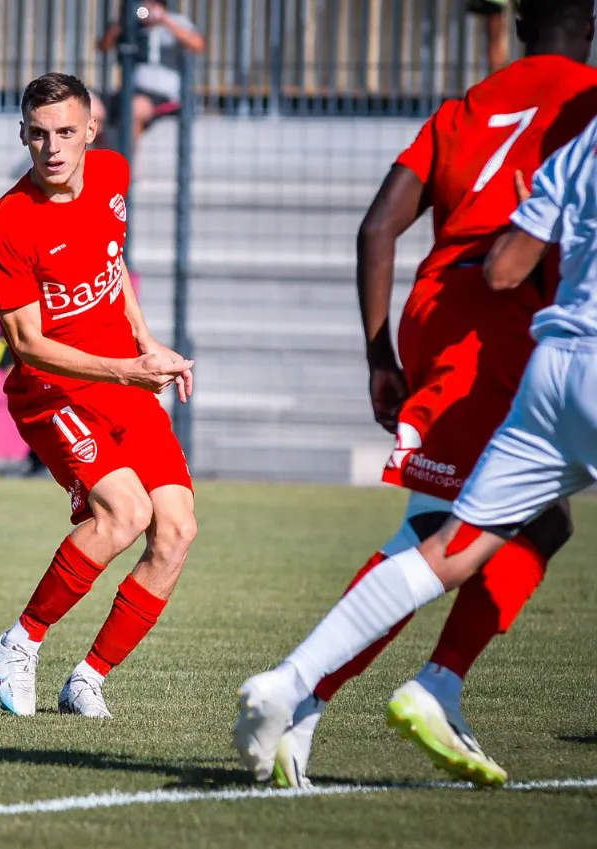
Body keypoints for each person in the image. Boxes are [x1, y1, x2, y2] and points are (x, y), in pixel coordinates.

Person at [253, 0, 597, 790]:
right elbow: (517, 257)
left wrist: (380, 354)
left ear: (517, 26)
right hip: (510, 327)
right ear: (587, 24)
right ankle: (306, 696)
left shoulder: (465, 107)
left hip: (433, 316)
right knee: (436, 532)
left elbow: (379, 227)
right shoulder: (585, 104)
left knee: (539, 521)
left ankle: (414, 684)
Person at [0, 72, 197, 718]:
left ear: (90, 132)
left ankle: (88, 678)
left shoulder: (113, 176)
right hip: (54, 392)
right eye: (39, 135)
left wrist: (145, 341)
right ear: (23, 135)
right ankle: (20, 641)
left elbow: (112, 264)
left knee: (177, 531)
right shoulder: (7, 224)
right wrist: (127, 371)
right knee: (124, 514)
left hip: (121, 379)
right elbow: (29, 344)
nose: (51, 148)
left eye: (66, 133)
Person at [94, 1, 204, 154]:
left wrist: (164, 20)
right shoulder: (131, 22)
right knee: (91, 108)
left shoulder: (177, 20)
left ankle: (127, 170)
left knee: (135, 108)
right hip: (130, 90)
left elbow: (197, 44)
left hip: (163, 96)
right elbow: (103, 46)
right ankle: (102, 165)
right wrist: (124, 22)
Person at [468, 0, 511, 76]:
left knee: (495, 41)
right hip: (495, 5)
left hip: (495, 5)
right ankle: (498, 75)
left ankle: (498, 74)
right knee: (495, 41)